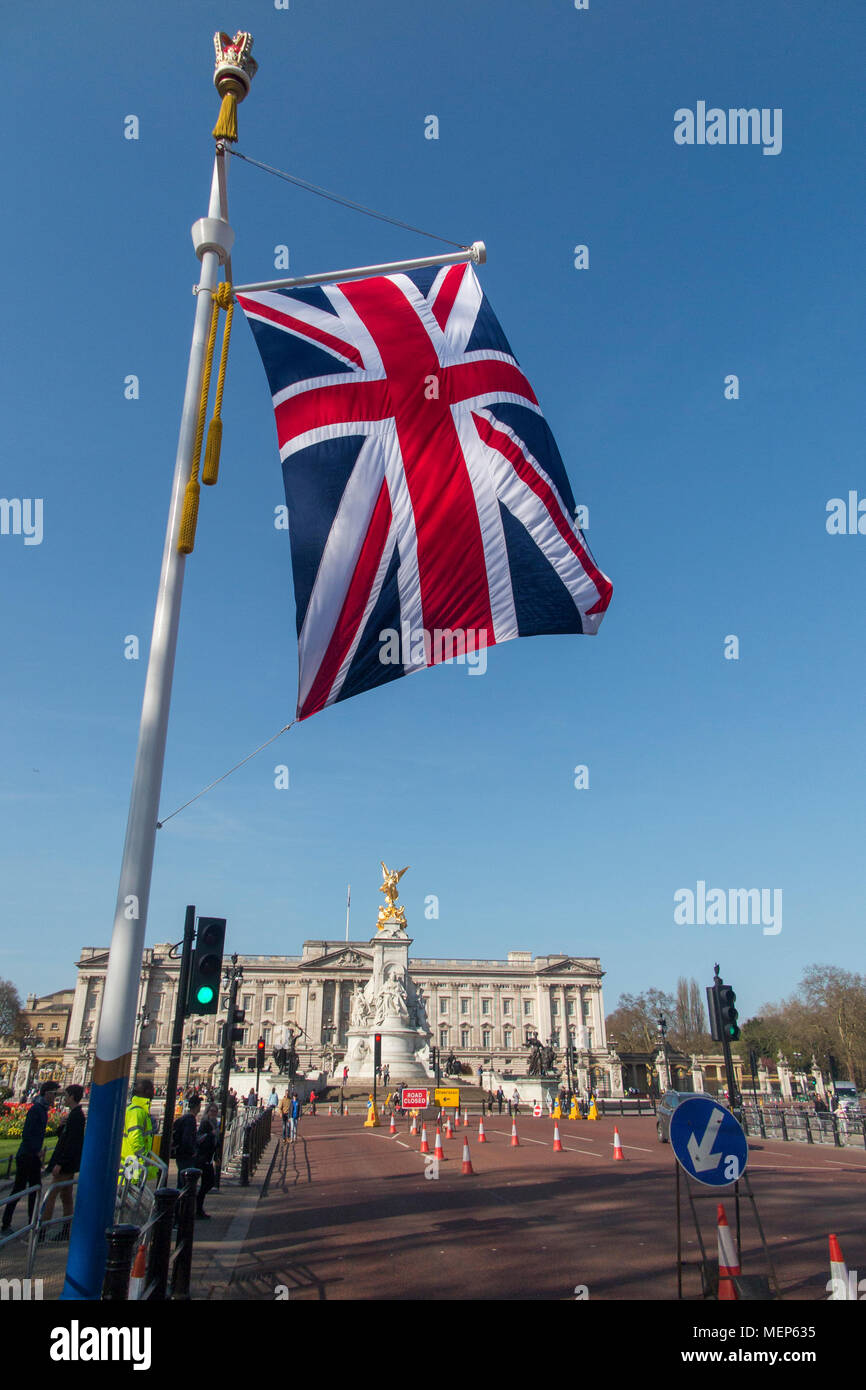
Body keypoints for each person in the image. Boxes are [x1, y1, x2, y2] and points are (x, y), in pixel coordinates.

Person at [1, 1080, 60, 1232]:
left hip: (31, 1155)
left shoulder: (41, 1109)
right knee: (21, 1189)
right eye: (54, 1094)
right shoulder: (36, 1110)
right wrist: (36, 1151)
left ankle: (30, 1221)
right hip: (27, 1155)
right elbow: (27, 1134)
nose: (55, 1097)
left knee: (34, 1188)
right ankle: (9, 1222)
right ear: (47, 1094)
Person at [42, 1084, 86, 1228]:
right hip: (69, 1163)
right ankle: (67, 1227)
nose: (64, 1099)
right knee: (66, 1196)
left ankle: (42, 1229)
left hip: (65, 1164)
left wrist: (60, 1163)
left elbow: (72, 1143)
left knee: (50, 1196)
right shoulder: (74, 1115)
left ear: (72, 1097)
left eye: (66, 1096)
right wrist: (61, 1126)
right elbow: (64, 1137)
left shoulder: (76, 1116)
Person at [120, 1079, 156, 1183]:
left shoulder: (134, 1109)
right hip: (133, 1164)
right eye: (151, 1089)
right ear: (146, 1091)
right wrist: (143, 1158)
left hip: (130, 1163)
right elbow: (135, 1138)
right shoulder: (138, 1111)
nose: (153, 1092)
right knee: (129, 1193)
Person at [172, 1096, 202, 1185]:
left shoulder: (184, 1118)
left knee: (182, 1179)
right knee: (186, 1182)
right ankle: (181, 1198)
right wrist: (193, 1151)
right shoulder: (190, 1120)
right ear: (197, 1106)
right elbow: (187, 1138)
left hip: (181, 1154)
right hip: (186, 1156)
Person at [194, 1119, 217, 1219]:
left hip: (201, 1162)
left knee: (205, 1184)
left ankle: (197, 1205)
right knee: (209, 1183)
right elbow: (213, 1148)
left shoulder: (200, 1136)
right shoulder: (209, 1137)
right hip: (206, 1162)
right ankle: (198, 1206)